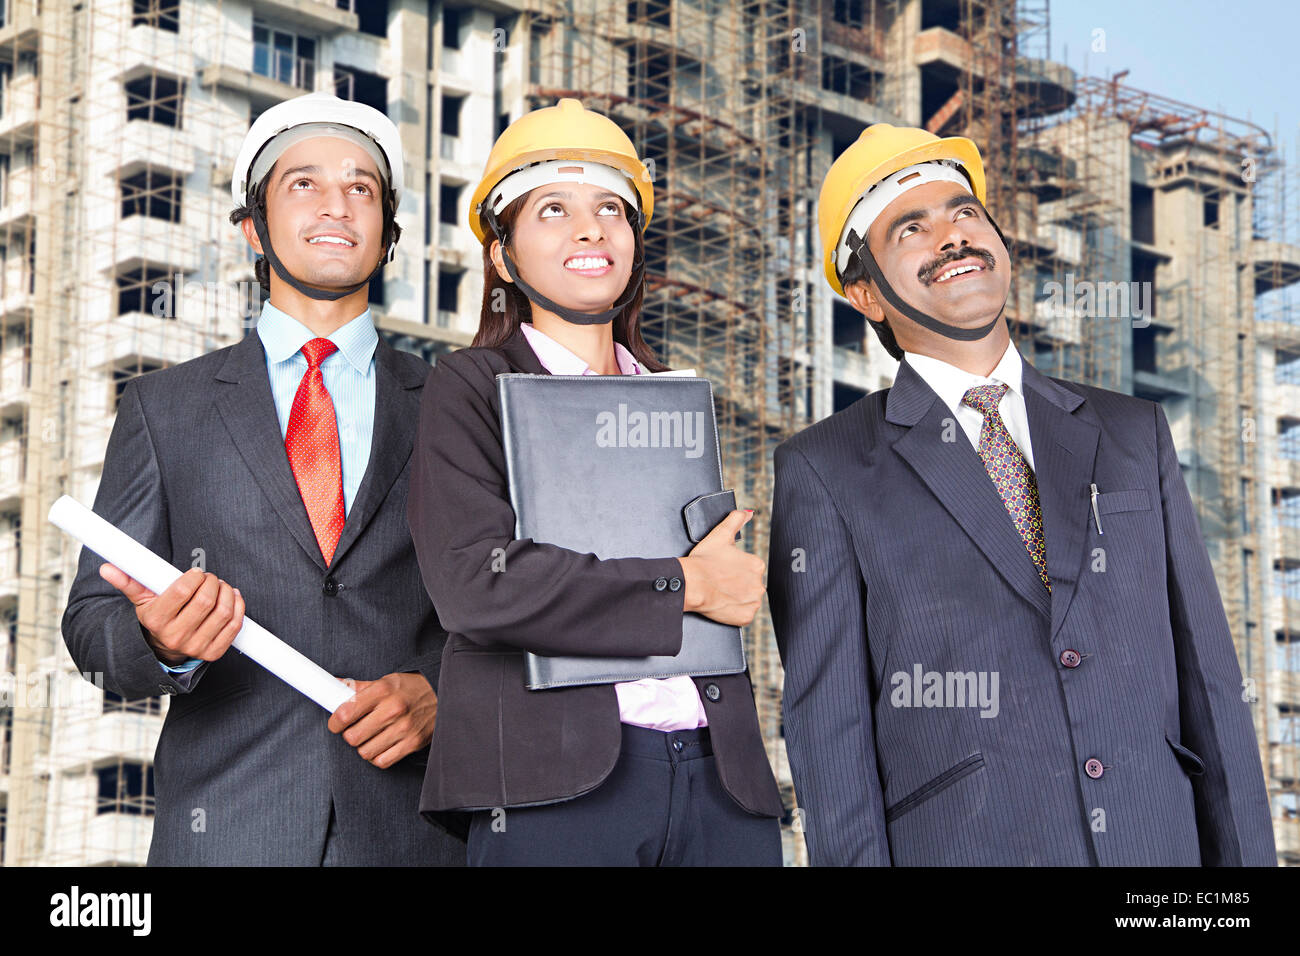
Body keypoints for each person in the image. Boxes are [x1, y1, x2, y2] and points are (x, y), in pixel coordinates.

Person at [768, 124, 1277, 866]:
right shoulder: (826, 468)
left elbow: (1212, 687)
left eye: (965, 213)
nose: (951, 237)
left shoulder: (1133, 434)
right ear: (867, 292)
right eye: (911, 228)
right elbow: (828, 736)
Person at [61, 92, 462, 866]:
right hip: (228, 829)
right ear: (253, 228)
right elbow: (90, 627)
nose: (337, 205)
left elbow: (509, 616)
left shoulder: (455, 406)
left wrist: (443, 693)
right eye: (302, 184)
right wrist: (158, 639)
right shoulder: (164, 409)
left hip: (414, 832)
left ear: (389, 236)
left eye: (362, 188)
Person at [407, 99, 784, 866]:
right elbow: (477, 583)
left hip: (721, 784)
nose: (591, 229)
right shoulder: (470, 388)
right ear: (502, 257)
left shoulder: (680, 399)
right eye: (553, 209)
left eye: (611, 208)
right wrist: (687, 587)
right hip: (559, 789)